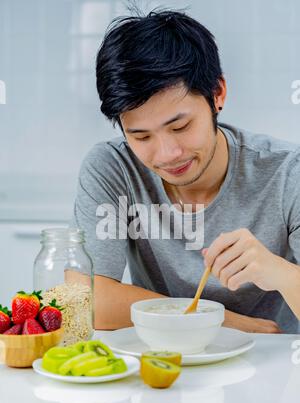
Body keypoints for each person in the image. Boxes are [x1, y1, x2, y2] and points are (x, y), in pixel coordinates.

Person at [71, 9, 300, 333]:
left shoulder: (288, 172)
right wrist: (224, 323)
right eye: (141, 136)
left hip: (277, 369)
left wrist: (280, 272)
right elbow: (83, 300)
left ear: (217, 94)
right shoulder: (112, 169)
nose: (167, 155)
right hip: (164, 367)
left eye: (180, 126)